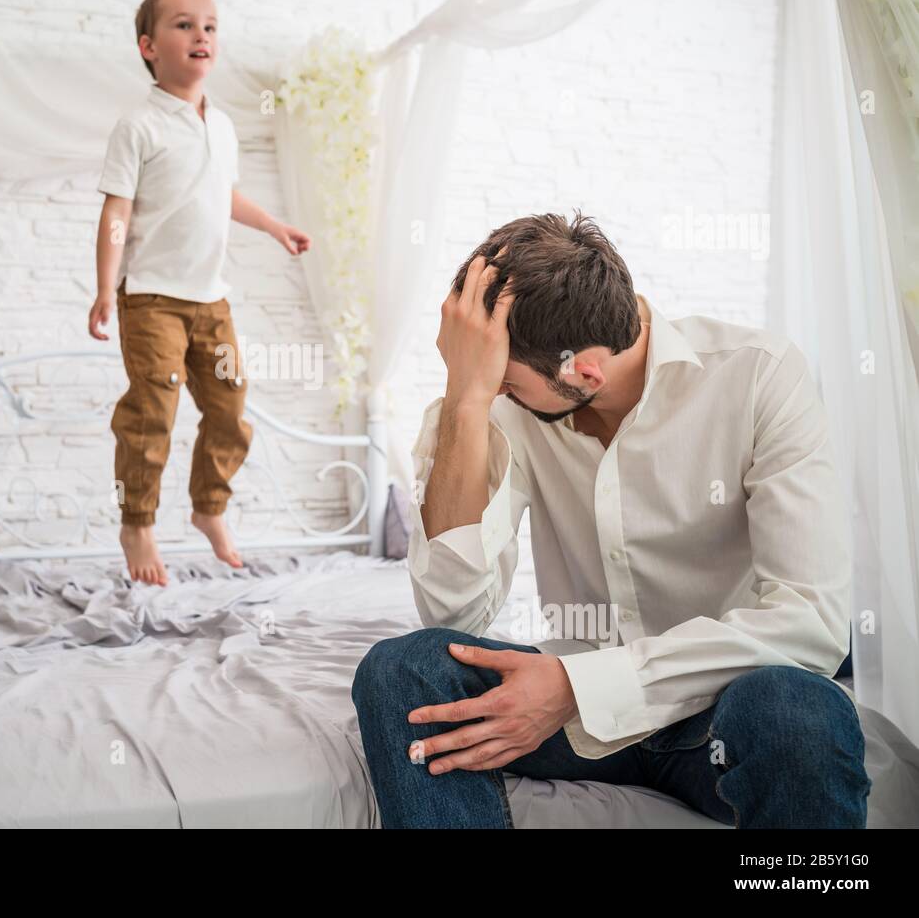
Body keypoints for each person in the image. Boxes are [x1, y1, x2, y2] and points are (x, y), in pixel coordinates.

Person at [351, 211, 870, 828]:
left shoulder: (759, 374)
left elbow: (809, 621)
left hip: (720, 712)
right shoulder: (504, 401)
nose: (498, 394)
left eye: (504, 384)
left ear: (583, 373)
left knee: (796, 708)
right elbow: (453, 613)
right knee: (403, 669)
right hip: (569, 726)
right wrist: (464, 399)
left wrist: (579, 685)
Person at [90, 0, 312, 586]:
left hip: (210, 299)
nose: (202, 36)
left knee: (230, 408)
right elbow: (116, 213)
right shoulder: (138, 125)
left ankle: (208, 507)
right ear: (149, 46)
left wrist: (272, 226)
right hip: (152, 298)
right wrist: (107, 289)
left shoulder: (223, 126)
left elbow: (223, 194)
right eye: (184, 26)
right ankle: (137, 521)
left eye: (210, 27)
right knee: (151, 411)